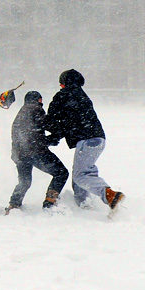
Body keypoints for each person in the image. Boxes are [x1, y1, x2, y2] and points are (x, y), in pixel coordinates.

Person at [43, 69, 124, 211]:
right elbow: (72, 121)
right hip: (99, 138)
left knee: (81, 175)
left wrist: (45, 134)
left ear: (64, 83)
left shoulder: (63, 95)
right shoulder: (82, 95)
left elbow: (53, 121)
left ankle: (110, 196)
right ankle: (84, 205)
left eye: (61, 84)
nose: (60, 87)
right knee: (80, 175)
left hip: (87, 140)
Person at [4, 91, 69, 214]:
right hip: (35, 152)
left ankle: (13, 205)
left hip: (19, 154)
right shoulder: (35, 109)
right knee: (61, 173)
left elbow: (29, 135)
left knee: (25, 181)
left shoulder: (20, 113)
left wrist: (48, 140)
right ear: (38, 100)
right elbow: (48, 125)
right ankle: (50, 204)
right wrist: (58, 132)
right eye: (41, 100)